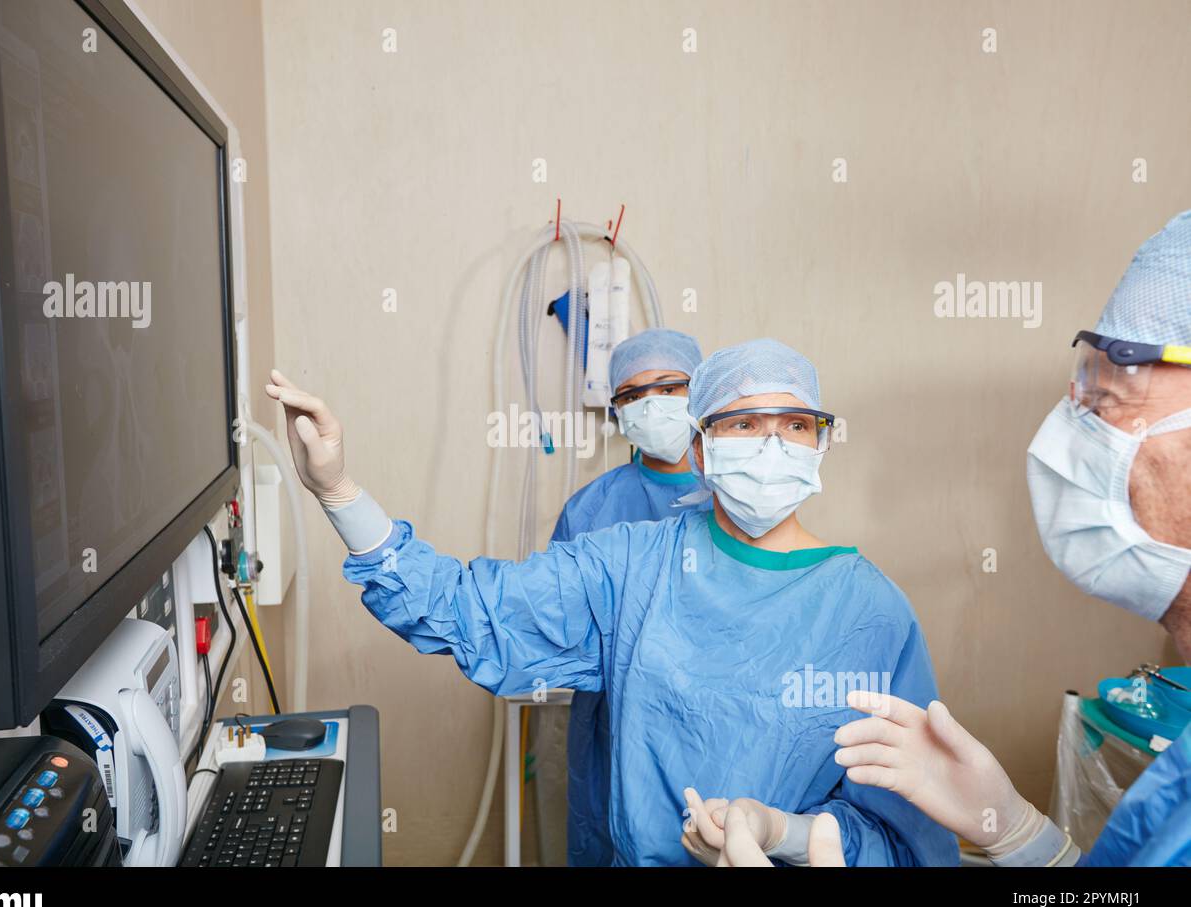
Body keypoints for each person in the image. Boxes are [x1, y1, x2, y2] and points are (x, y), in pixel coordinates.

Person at [266, 338, 957, 866]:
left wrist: (785, 834)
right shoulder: (630, 567)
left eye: (794, 424)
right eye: (743, 425)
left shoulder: (871, 613)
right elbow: (468, 607)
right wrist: (338, 492)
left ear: (820, 442)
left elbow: (905, 831)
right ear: (702, 444)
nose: (772, 443)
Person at [714, 209, 1191, 867]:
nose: (1069, 431)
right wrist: (1027, 841)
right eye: (1084, 381)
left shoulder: (864, 602)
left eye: (1115, 389)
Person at [552, 327, 707, 867]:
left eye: (669, 388)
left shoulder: (740, 502)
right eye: (633, 395)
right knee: (611, 841)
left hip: (714, 721)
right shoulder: (589, 510)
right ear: (617, 412)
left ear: (702, 393)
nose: (651, 404)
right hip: (613, 729)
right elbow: (560, 626)